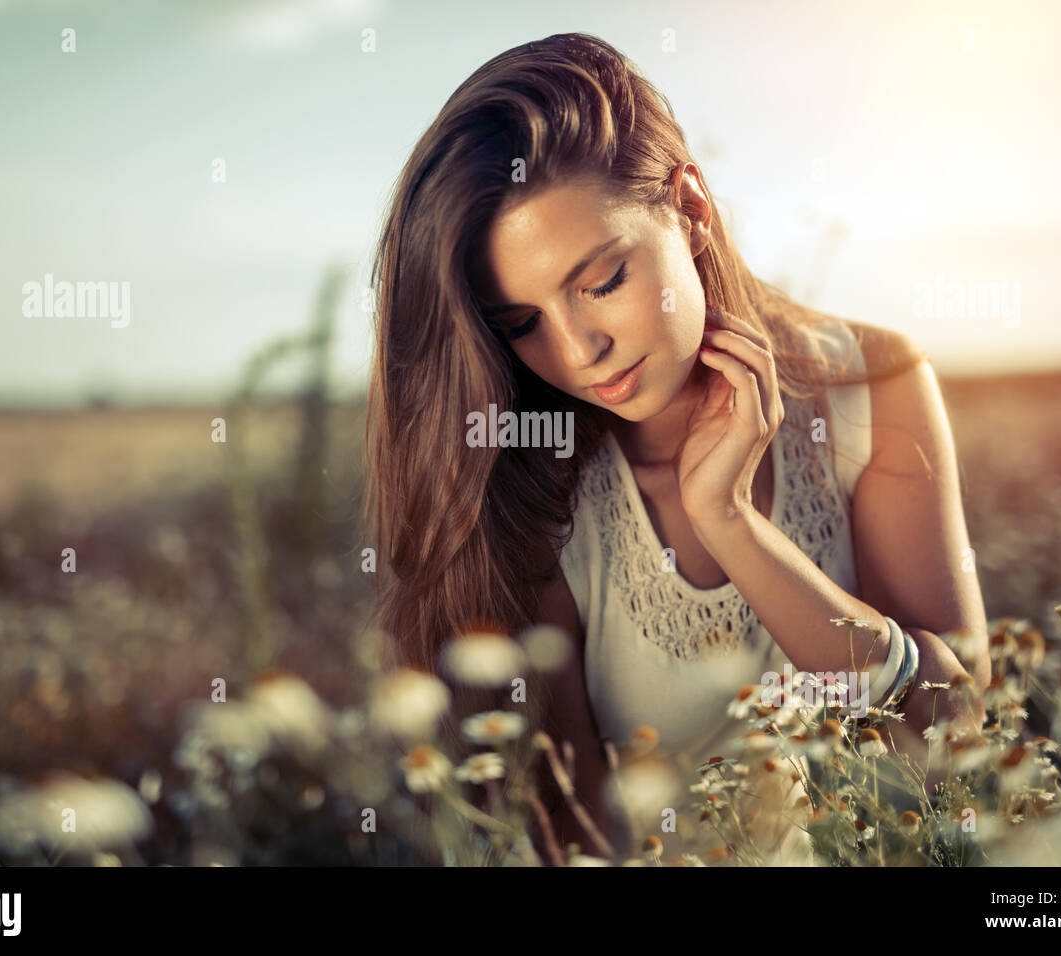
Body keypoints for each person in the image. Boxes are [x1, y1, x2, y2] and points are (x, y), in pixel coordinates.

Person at [361, 32, 989, 865]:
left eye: (602, 282)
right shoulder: (530, 490)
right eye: (523, 324)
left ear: (691, 209)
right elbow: (575, 840)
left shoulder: (870, 389)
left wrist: (731, 523)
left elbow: (950, 739)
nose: (580, 350)